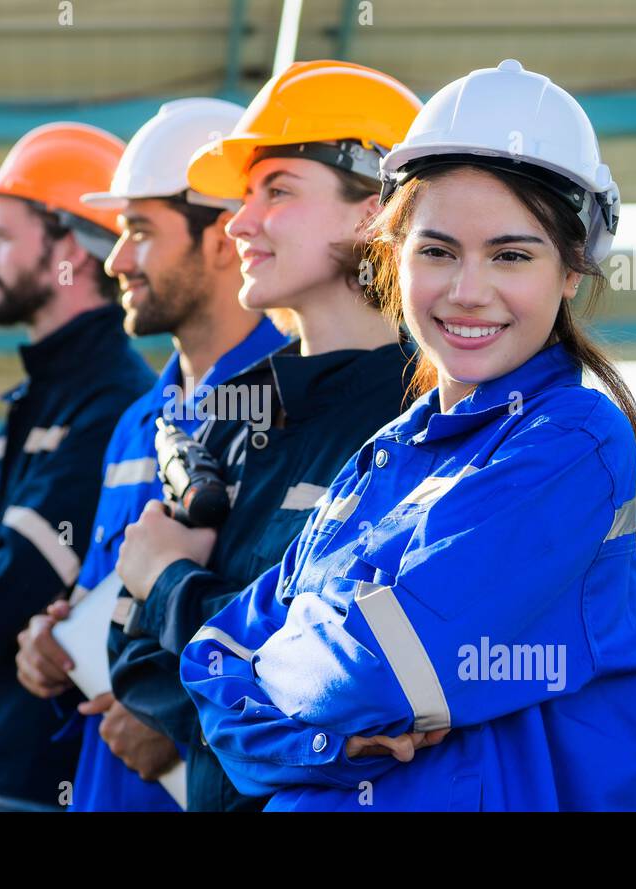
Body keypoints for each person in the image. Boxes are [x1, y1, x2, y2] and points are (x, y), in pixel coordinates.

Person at [180, 60, 636, 811]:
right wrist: (321, 732)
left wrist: (295, 657)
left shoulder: (572, 440)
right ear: (393, 254)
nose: (468, 291)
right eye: (437, 251)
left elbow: (396, 670)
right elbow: (211, 663)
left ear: (572, 270)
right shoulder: (382, 457)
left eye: (511, 255)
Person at [106, 61, 422, 812]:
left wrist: (173, 587)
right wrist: (253, 689)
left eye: (276, 190)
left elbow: (360, 690)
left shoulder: (426, 420)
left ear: (376, 210)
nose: (240, 223)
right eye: (244, 198)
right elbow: (134, 658)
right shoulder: (233, 409)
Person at [13, 98, 290, 812]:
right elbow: (115, 602)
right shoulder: (141, 418)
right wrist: (57, 645)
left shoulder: (294, 412)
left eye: (139, 232)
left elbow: (308, 643)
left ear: (225, 238)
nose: (116, 261)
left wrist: (181, 720)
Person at [0, 122, 156, 812]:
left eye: (2, 235)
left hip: (36, 783)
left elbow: (4, 601)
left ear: (68, 247)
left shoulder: (108, 402)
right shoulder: (43, 398)